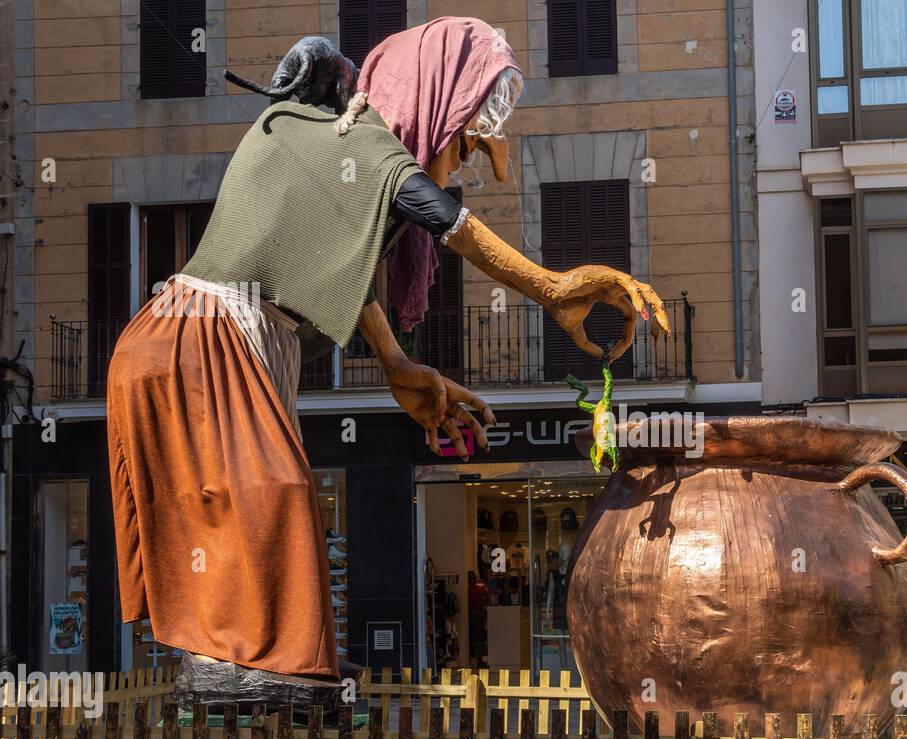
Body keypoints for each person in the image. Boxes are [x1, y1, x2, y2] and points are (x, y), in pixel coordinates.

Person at [106, 18, 669, 702]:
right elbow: (445, 219)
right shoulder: (364, 146)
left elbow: (358, 286)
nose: (460, 166)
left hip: (192, 343)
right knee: (271, 498)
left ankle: (253, 665)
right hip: (202, 340)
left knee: (249, 504)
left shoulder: (341, 165)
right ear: (437, 106)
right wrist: (551, 287)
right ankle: (242, 671)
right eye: (464, 143)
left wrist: (400, 367)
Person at [466, 570, 489, 668]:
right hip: (478, 614)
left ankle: (471, 661)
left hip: (469, 615)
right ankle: (478, 660)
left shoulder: (466, 590)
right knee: (479, 638)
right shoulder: (481, 589)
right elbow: (487, 594)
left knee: (470, 638)